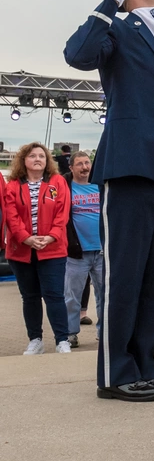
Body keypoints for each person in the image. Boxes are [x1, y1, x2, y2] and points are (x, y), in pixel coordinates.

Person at [64, 0, 154, 403]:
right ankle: (116, 372)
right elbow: (78, 54)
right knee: (125, 272)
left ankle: (144, 364)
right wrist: (107, 3)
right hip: (131, 162)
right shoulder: (114, 26)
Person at [2, 143, 72, 354]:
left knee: (54, 296)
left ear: (47, 160)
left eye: (42, 155)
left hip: (52, 249)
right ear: (24, 160)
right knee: (30, 297)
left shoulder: (57, 182)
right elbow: (10, 216)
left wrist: (50, 237)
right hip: (21, 251)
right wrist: (26, 238)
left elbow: (62, 213)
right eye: (32, 156)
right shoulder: (12, 185)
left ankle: (62, 340)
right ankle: (35, 340)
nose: (37, 159)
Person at [63, 151, 104, 347]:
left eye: (87, 163)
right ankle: (71, 333)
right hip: (77, 252)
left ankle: (103, 331)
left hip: (102, 251)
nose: (84, 167)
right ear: (71, 168)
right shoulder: (66, 187)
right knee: (72, 295)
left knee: (104, 294)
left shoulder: (100, 184)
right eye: (79, 164)